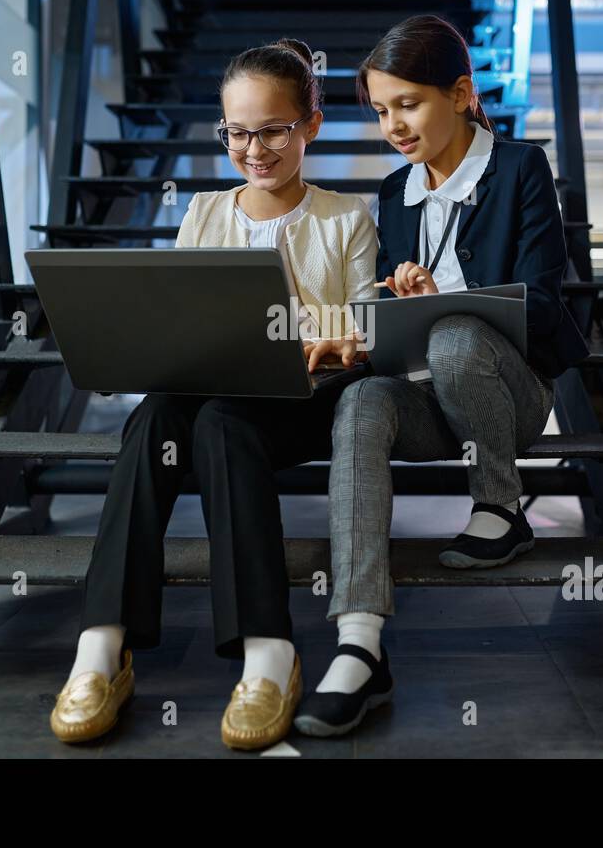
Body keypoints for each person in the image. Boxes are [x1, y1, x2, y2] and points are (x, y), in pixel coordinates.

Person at [50, 39, 377, 750]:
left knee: (224, 423)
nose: (253, 148)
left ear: (310, 126)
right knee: (155, 416)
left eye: (272, 130)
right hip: (214, 393)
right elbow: (187, 311)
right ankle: (101, 648)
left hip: (304, 402)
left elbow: (363, 326)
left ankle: (269, 655)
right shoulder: (204, 211)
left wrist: (320, 335)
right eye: (237, 131)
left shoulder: (345, 217)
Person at [293, 15, 589, 738]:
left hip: (508, 390)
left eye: (409, 104)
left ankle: (500, 506)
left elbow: (543, 304)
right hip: (425, 396)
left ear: (460, 93)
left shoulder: (520, 168)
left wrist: (446, 306)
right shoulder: (394, 193)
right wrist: (381, 319)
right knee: (362, 401)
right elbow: (385, 323)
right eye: (382, 109)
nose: (393, 124)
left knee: (457, 337)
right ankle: (359, 642)